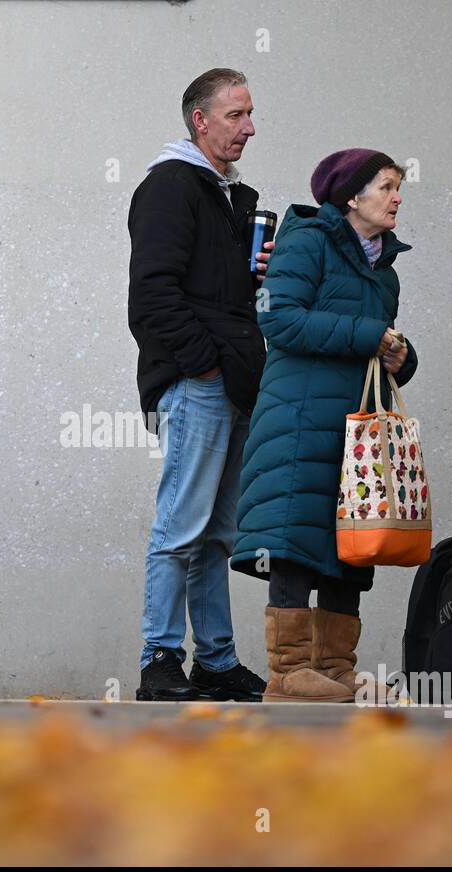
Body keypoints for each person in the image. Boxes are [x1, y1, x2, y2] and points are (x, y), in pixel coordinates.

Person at [232, 149, 419, 702]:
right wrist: (366, 336)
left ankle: (335, 669)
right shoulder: (308, 240)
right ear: (351, 196)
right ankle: (288, 674)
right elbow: (278, 317)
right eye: (385, 187)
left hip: (358, 431)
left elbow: (382, 344)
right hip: (298, 421)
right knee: (292, 540)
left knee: (351, 546)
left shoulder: (384, 272)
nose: (396, 198)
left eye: (396, 187)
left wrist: (401, 358)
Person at [127, 67, 273, 702]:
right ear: (201, 121)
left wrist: (254, 272)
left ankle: (215, 663)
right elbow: (151, 296)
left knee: (217, 536)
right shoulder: (169, 187)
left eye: (249, 114)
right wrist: (204, 365)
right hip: (202, 384)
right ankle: (160, 658)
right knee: (181, 528)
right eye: (236, 115)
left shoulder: (229, 195)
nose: (248, 126)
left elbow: (214, 293)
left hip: (233, 382)